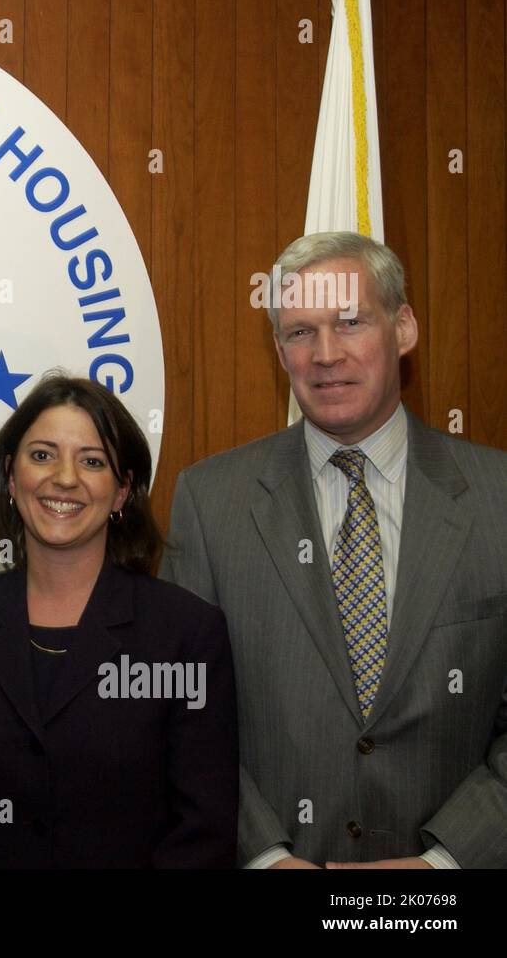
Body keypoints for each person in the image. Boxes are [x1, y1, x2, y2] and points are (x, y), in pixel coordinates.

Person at [162, 231, 507, 868]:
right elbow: (183, 712)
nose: (325, 354)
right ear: (278, 349)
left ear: (403, 328)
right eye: (300, 332)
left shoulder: (498, 499)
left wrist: (446, 862)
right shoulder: (212, 502)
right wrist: (263, 855)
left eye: (350, 322)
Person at [0, 373, 237, 867]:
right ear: (11, 479)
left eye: (92, 461)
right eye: (42, 455)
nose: (64, 478)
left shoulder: (186, 635)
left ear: (122, 492)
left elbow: (204, 831)